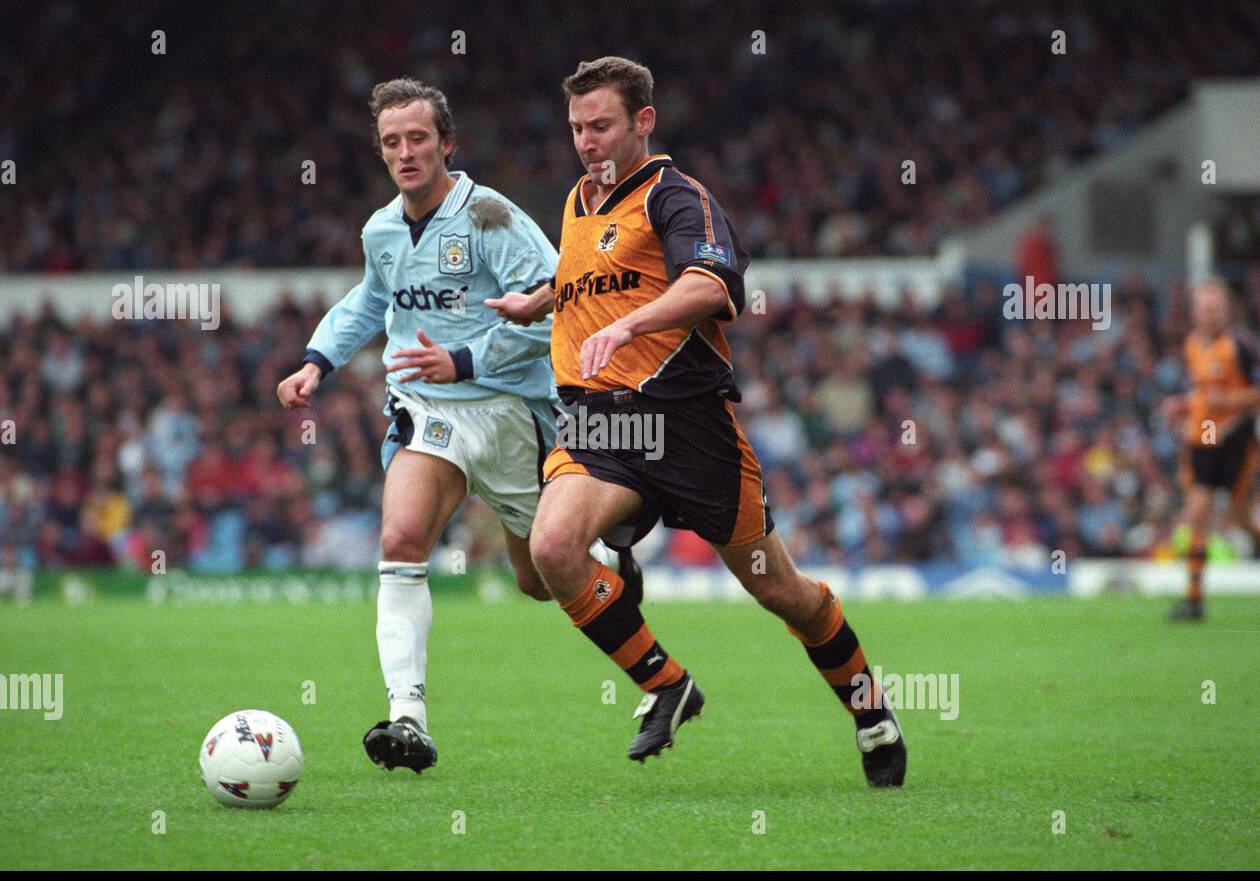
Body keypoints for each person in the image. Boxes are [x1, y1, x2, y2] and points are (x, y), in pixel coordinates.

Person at [486, 57, 906, 785]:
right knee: (552, 547)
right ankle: (667, 683)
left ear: (643, 121)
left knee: (783, 593)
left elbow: (709, 283)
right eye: (577, 128)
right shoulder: (578, 202)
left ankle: (870, 709)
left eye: (603, 126)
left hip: (688, 428)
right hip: (600, 429)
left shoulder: (678, 198)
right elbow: (594, 277)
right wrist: (541, 298)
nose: (587, 141)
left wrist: (630, 326)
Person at [277, 77, 638, 773]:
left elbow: (567, 308)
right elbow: (369, 299)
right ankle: (407, 718)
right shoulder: (382, 230)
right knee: (402, 535)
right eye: (391, 142)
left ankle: (621, 587)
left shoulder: (494, 219)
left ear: (447, 143)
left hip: (511, 413)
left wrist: (466, 356)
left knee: (541, 578)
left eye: (418, 138)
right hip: (427, 407)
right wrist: (317, 361)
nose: (405, 152)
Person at [1162, 278, 1260, 620]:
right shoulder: (1192, 346)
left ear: (1227, 311)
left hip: (1236, 437)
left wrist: (1229, 400)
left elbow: (1255, 395)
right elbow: (1203, 394)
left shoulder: (1240, 348)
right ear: (1194, 312)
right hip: (1203, 437)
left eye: (1216, 309)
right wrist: (1183, 404)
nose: (1211, 315)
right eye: (1205, 309)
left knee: (1240, 517)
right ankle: (1194, 598)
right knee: (1197, 511)